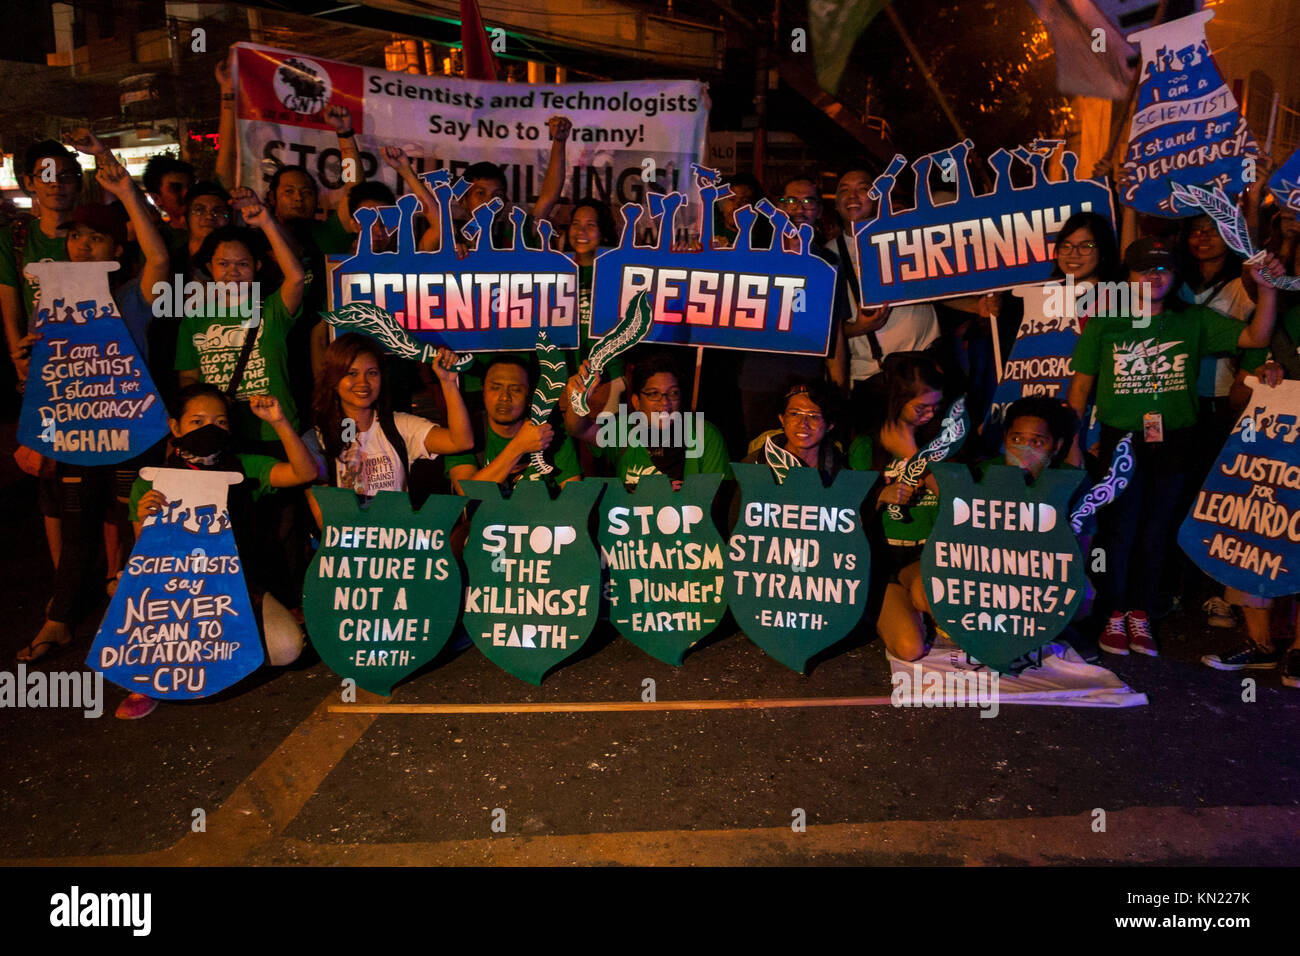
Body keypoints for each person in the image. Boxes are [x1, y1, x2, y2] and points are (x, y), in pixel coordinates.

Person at [1066, 237, 1283, 656]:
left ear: (1175, 275)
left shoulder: (1195, 320)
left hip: (1178, 439)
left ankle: (1141, 615)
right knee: (1119, 529)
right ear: (1127, 276)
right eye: (1144, 269)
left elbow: (1257, 337)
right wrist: (1074, 445)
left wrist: (1267, 286)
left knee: (1159, 531)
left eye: (1162, 269)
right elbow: (1080, 388)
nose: (1154, 277)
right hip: (1122, 440)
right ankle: (1113, 612)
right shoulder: (1106, 321)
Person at [15, 145, 172, 664]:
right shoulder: (52, 301)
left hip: (132, 431)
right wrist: (30, 356)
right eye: (76, 236)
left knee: (138, 520)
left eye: (94, 236)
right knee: (78, 526)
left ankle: (147, 613)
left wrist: (127, 194)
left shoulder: (133, 295)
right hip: (79, 435)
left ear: (115, 248)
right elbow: (50, 375)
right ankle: (59, 621)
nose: (81, 245)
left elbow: (160, 259)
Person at [119, 384, 319, 718]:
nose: (210, 430)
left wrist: (279, 421)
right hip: (174, 596)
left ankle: (222, 654)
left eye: (221, 422)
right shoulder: (151, 482)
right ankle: (146, 672)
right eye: (197, 422)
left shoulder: (241, 467)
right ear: (175, 427)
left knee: (287, 648)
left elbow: (305, 472)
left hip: (235, 590)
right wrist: (147, 519)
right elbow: (146, 565)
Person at [174, 189, 306, 448]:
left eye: (242, 264)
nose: (233, 272)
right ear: (210, 268)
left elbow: (296, 278)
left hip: (276, 433)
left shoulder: (272, 308)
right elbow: (188, 379)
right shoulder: (194, 320)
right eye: (223, 264)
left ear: (257, 267)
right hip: (220, 436)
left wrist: (266, 222)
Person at [305, 332, 474, 521]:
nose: (363, 383)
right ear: (334, 381)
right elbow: (325, 520)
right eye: (352, 373)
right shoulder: (317, 440)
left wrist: (448, 382)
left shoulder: (399, 426)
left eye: (372, 373)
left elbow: (461, 441)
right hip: (350, 548)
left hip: (398, 547)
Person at [849, 353, 949, 661]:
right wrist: (880, 496)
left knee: (926, 595)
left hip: (927, 554)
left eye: (935, 406)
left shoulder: (942, 444)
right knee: (909, 649)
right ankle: (901, 614)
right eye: (921, 407)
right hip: (883, 558)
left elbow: (961, 504)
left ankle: (927, 611)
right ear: (896, 400)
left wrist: (914, 454)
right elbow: (846, 514)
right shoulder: (866, 446)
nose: (930, 414)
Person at [736, 175, 849, 437]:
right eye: (790, 201)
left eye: (808, 201)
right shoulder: (754, 258)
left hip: (807, 381)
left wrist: (839, 385)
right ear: (779, 207)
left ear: (819, 210)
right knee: (759, 457)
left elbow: (835, 330)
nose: (799, 208)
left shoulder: (828, 263)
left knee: (804, 462)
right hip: (758, 379)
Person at [829, 167, 940, 396]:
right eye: (844, 190)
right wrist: (858, 328)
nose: (852, 196)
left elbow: (943, 288)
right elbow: (822, 331)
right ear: (836, 202)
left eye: (863, 189)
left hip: (923, 366)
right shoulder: (827, 256)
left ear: (879, 197)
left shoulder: (910, 238)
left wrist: (975, 306)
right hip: (870, 376)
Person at [566, 350, 731, 488]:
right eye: (653, 394)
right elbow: (578, 429)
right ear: (636, 402)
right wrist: (578, 399)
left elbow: (717, 501)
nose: (664, 402)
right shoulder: (624, 431)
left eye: (673, 393)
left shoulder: (705, 436)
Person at [445, 354, 581, 494]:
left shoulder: (549, 432)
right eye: (496, 388)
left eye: (515, 389)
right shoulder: (465, 434)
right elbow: (467, 494)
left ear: (530, 395)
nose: (504, 397)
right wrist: (519, 446)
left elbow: (574, 497)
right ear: (483, 391)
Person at [141, 155, 194, 238]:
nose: (187, 192)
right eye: (176, 188)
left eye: (191, 186)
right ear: (156, 198)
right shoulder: (159, 240)